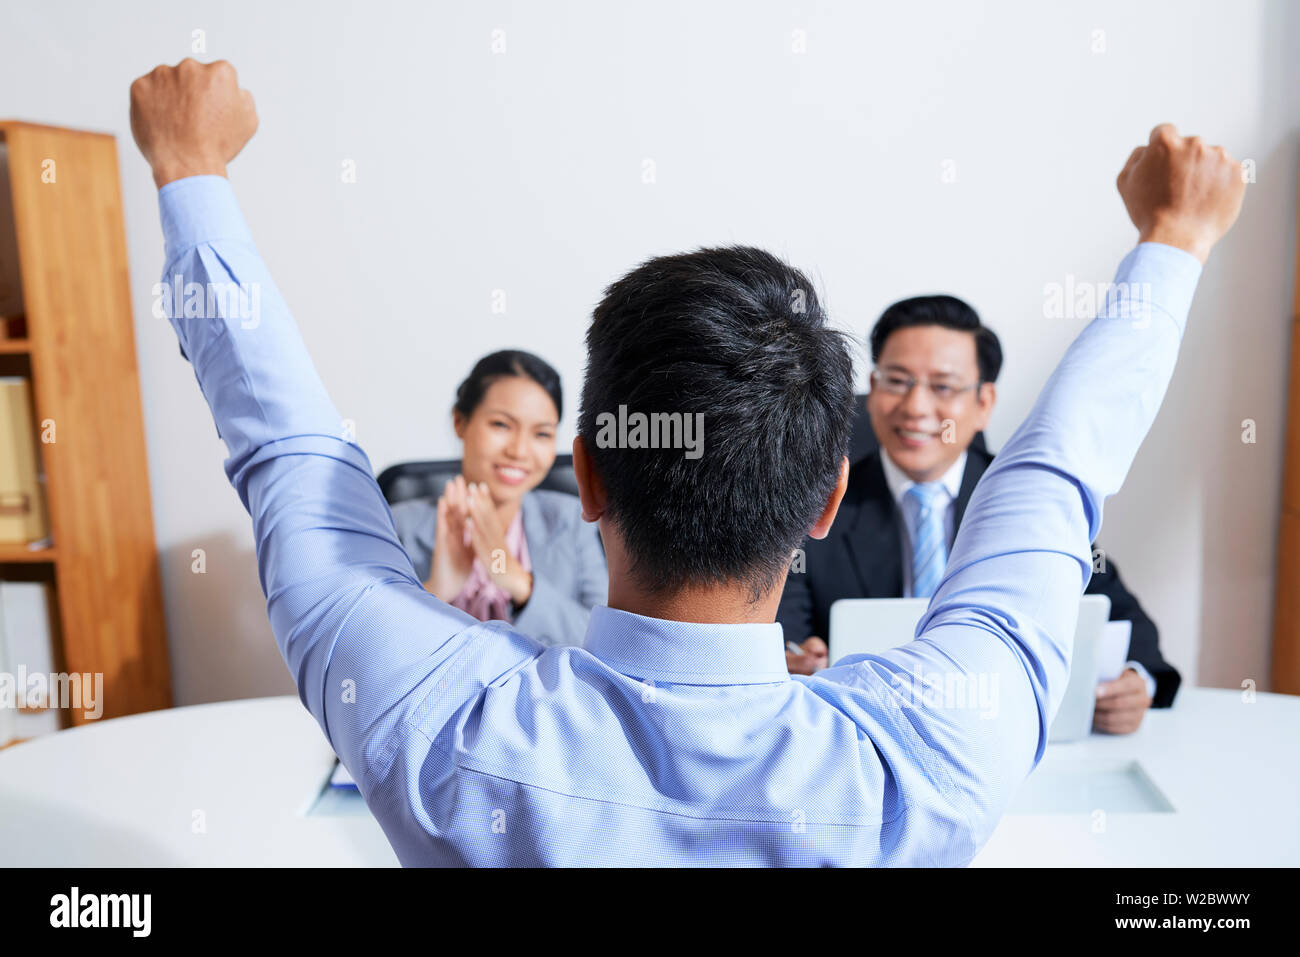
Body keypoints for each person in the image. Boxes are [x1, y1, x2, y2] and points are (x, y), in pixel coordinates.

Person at [130, 58, 1244, 865]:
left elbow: (287, 453)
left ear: (590, 476)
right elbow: (1053, 482)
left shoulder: (435, 718)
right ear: (827, 498)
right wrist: (1175, 244)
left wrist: (189, 170)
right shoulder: (932, 751)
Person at [779, 297, 1181, 733]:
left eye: (943, 387)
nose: (915, 407)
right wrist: (792, 659)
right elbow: (782, 631)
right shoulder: (817, 500)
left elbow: (1123, 620)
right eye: (897, 381)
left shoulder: (1029, 496)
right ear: (872, 390)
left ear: (984, 402)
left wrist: (1136, 680)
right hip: (866, 742)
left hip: (1008, 738)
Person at [388, 350, 607, 647]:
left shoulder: (573, 520)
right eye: (501, 425)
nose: (519, 451)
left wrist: (519, 583)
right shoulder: (396, 525)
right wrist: (436, 589)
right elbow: (363, 649)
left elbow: (608, 643)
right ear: (459, 421)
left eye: (541, 434)